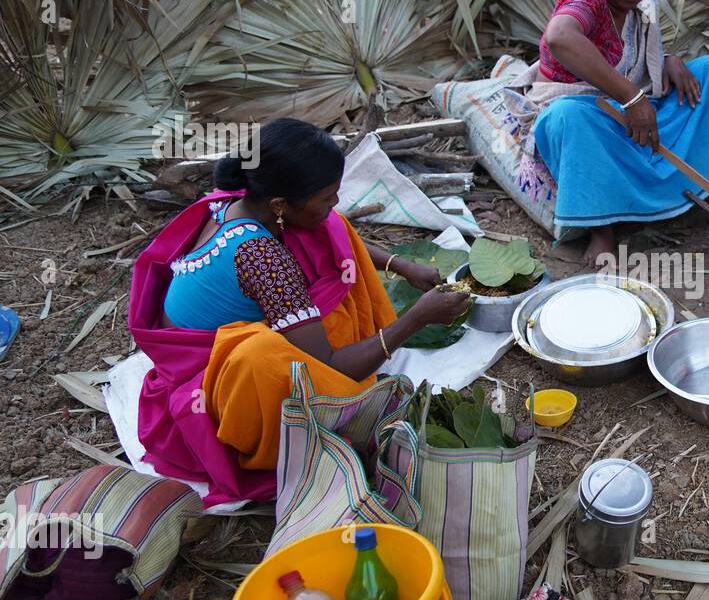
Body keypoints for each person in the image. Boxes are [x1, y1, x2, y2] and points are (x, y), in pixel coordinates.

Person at [129, 118, 468, 505]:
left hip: (185, 346)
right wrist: (416, 318)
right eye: (326, 197)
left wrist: (401, 265)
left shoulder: (236, 202)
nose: (335, 204)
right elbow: (332, 367)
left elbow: (333, 229)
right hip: (208, 383)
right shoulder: (264, 260)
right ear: (279, 205)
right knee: (293, 347)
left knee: (329, 228)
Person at [509, 0, 709, 265]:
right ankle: (602, 229)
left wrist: (668, 60)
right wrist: (632, 98)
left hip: (635, 113)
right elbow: (560, 36)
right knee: (567, 117)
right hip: (593, 117)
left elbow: (638, 64)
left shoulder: (641, 9)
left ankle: (708, 185)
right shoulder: (586, 0)